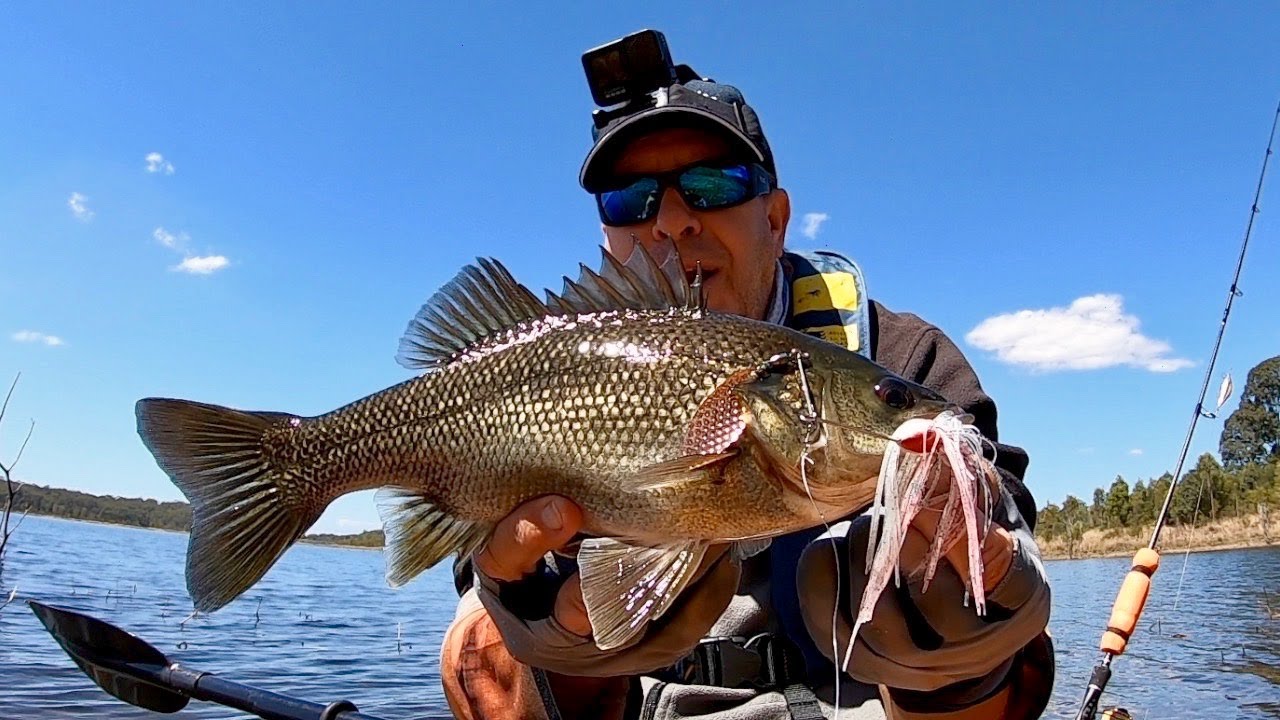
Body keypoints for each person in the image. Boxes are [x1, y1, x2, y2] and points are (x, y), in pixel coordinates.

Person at [441, 33, 1053, 720]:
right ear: (606, 237)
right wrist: (538, 627)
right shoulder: (535, 368)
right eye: (630, 200)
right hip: (637, 703)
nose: (672, 222)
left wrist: (967, 642)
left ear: (776, 217)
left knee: (996, 636)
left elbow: (1006, 535)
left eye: (713, 185)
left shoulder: (907, 360)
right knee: (487, 649)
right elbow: (473, 617)